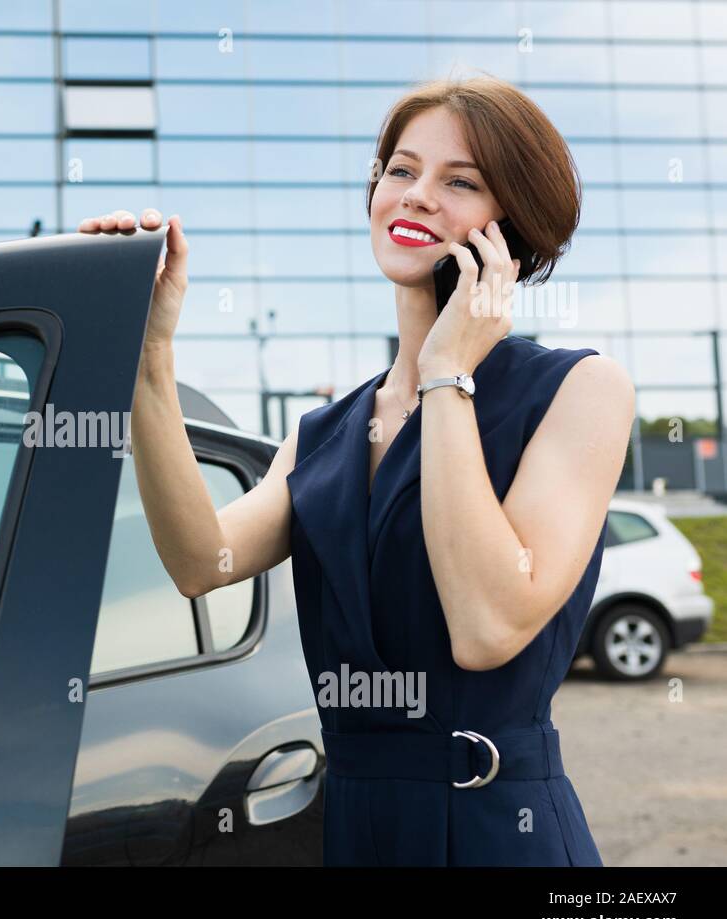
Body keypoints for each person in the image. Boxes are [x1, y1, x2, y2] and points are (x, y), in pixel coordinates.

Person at [78, 74, 634, 866]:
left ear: (512, 225)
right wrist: (150, 361)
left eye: (461, 182)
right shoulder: (326, 432)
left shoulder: (578, 391)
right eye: (400, 171)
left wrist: (446, 372)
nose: (415, 196)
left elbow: (487, 628)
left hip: (496, 829)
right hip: (358, 830)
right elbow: (203, 561)